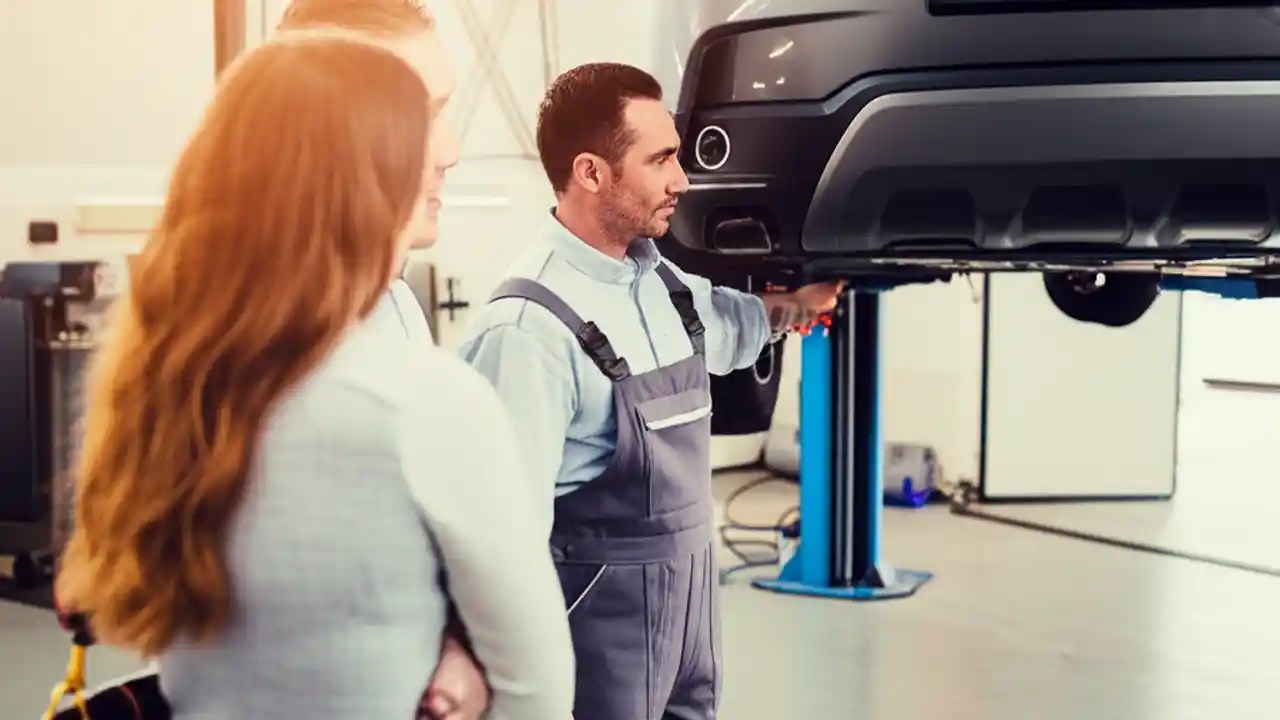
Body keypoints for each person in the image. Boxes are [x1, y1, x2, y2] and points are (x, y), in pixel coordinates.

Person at [53, 34, 574, 720]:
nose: (445, 155)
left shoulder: (170, 379)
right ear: (354, 180)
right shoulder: (421, 400)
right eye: (417, 128)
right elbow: (539, 691)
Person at [456, 62, 844, 719]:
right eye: (660, 159)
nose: (681, 180)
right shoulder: (528, 329)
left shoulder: (658, 281)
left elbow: (732, 324)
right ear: (591, 172)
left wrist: (800, 302)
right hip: (599, 632)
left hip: (693, 611)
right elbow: (501, 545)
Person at [272, 3, 491, 717]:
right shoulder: (246, 344)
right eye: (423, 112)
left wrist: (451, 643)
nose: (451, 149)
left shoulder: (393, 305)